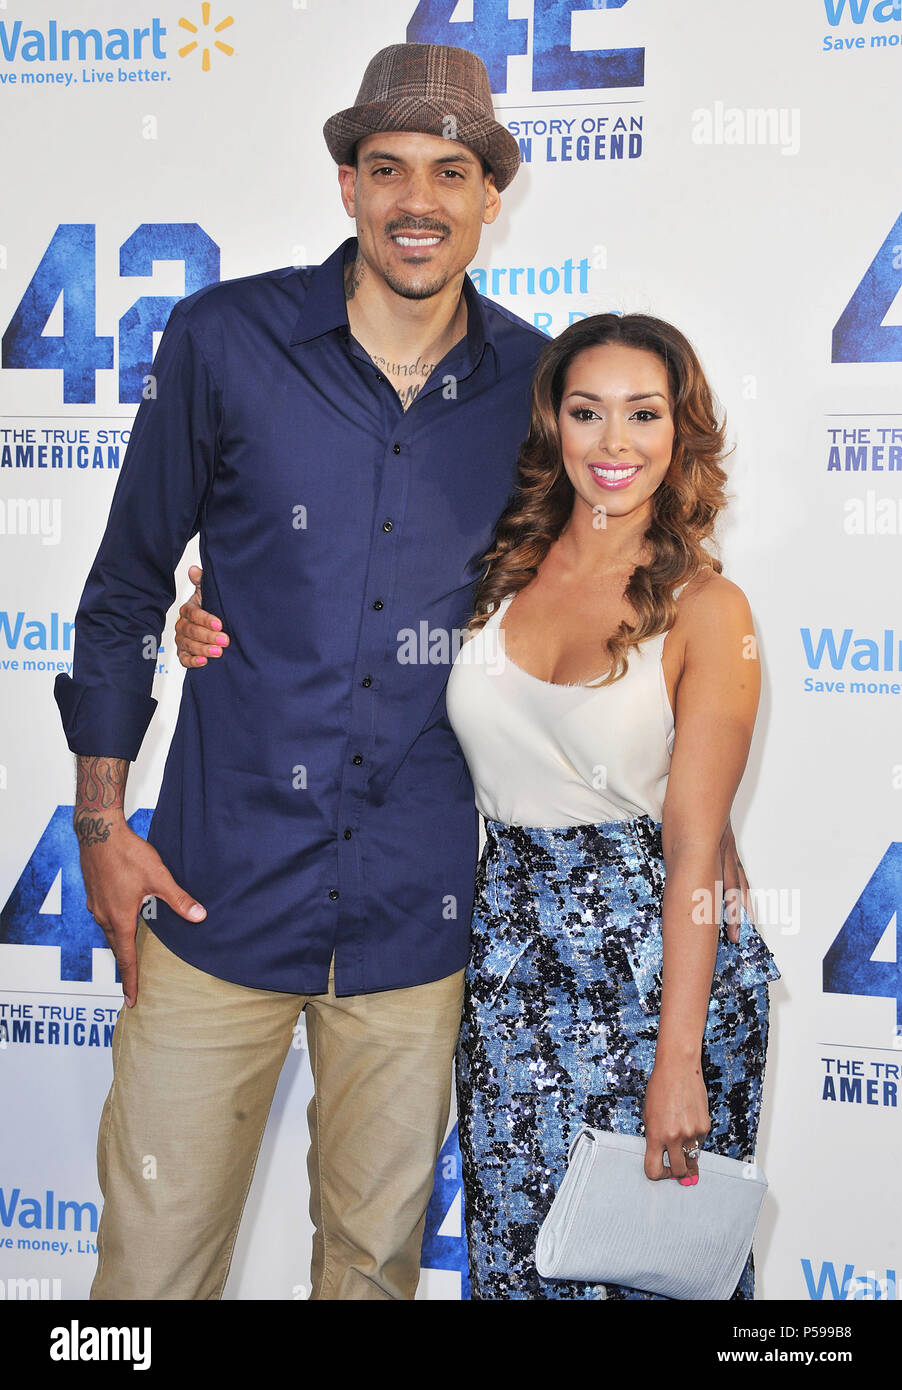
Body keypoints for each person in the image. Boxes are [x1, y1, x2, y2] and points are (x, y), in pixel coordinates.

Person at [54, 41, 550, 1301]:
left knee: (373, 1269)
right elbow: (120, 593)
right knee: (149, 1273)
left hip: (415, 913)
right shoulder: (226, 340)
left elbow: (582, 611)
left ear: (491, 195)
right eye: (387, 169)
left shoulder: (540, 388)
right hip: (218, 891)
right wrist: (101, 818)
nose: (417, 201)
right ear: (346, 185)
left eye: (450, 171)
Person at [443, 312, 781, 1299]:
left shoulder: (706, 609)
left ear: (681, 433)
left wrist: (676, 1061)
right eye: (587, 413)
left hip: (656, 969)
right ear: (552, 423)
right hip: (508, 969)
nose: (614, 443)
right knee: (518, 1265)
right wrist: (210, 609)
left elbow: (692, 854)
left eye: (643, 414)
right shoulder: (497, 573)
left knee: (650, 1272)